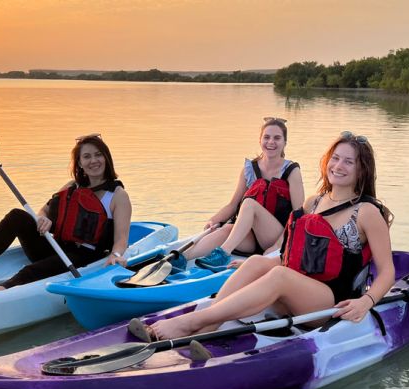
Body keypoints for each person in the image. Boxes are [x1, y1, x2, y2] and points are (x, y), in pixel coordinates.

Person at [139, 131, 395, 340]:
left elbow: (387, 272)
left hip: (330, 302)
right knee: (256, 262)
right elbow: (293, 254)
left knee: (279, 275)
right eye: (335, 158)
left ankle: (190, 322)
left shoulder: (367, 212)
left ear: (362, 170)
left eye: (348, 162)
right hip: (295, 291)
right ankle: (201, 332)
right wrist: (260, 266)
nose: (338, 166)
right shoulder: (314, 202)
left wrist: (366, 302)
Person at [0, 133, 131, 300]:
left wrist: (115, 256)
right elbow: (44, 211)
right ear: (79, 162)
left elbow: (121, 239)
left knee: (31, 271)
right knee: (17, 216)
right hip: (55, 246)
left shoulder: (117, 195)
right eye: (87, 157)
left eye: (98, 155)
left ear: (106, 158)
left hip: (83, 256)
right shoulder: (72, 186)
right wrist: (42, 218)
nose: (93, 161)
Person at [171, 117, 304, 272]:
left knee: (249, 204)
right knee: (226, 229)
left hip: (277, 237)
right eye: (266, 137)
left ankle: (223, 254)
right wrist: (215, 219)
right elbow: (233, 205)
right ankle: (180, 259)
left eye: (277, 138)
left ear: (284, 142)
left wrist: (277, 245)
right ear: (260, 140)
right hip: (251, 238)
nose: (271, 142)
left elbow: (298, 217)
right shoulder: (249, 169)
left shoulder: (292, 171)